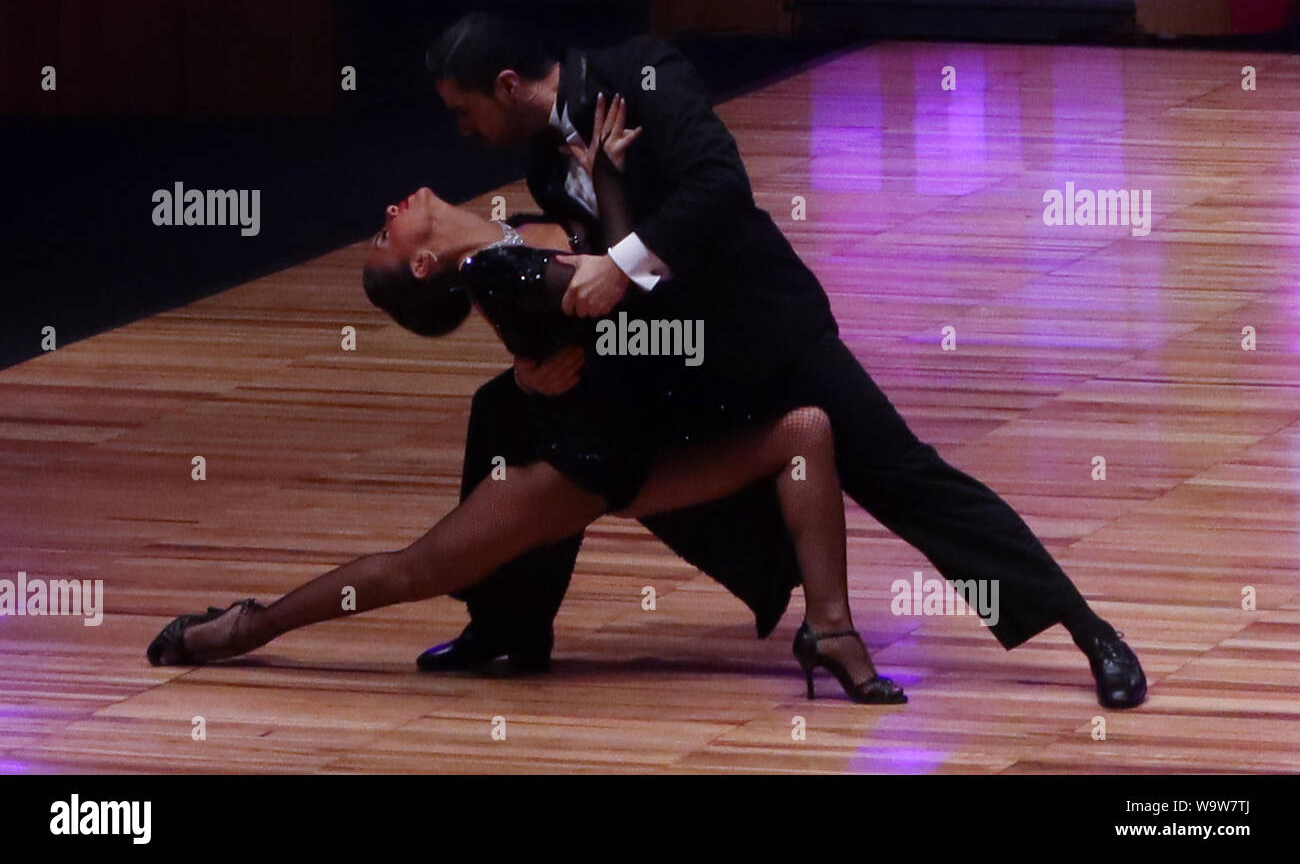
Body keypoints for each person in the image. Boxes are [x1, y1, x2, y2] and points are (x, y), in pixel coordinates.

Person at [419, 12, 1148, 709]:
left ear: (509, 85)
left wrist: (623, 262)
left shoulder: (642, 72)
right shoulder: (545, 165)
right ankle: (507, 625)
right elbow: (583, 275)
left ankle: (1089, 632)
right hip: (673, 356)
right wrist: (534, 366)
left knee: (906, 479)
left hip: (765, 333)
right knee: (516, 410)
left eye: (463, 110)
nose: (461, 130)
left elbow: (719, 186)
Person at [145, 104, 906, 705]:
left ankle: (832, 631)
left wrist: (598, 177)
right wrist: (608, 180)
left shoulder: (515, 233)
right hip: (588, 470)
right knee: (412, 570)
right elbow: (631, 292)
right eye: (388, 230)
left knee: (808, 430)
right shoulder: (496, 273)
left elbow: (619, 274)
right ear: (418, 260)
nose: (391, 206)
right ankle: (243, 628)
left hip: (645, 448)